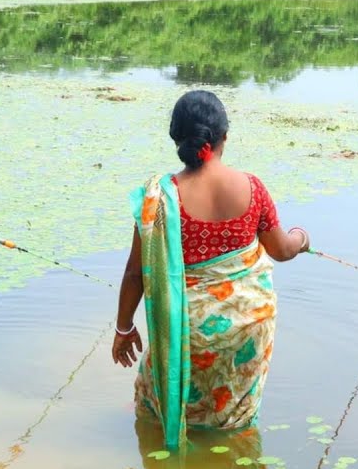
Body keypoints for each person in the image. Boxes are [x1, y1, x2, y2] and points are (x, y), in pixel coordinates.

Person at [111, 90, 310, 449]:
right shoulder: (252, 188)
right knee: (235, 427)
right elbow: (281, 250)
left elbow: (135, 273)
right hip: (245, 330)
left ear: (177, 138)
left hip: (183, 332)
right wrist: (302, 237)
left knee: (155, 408)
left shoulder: (160, 197)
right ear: (224, 138)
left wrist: (123, 328)